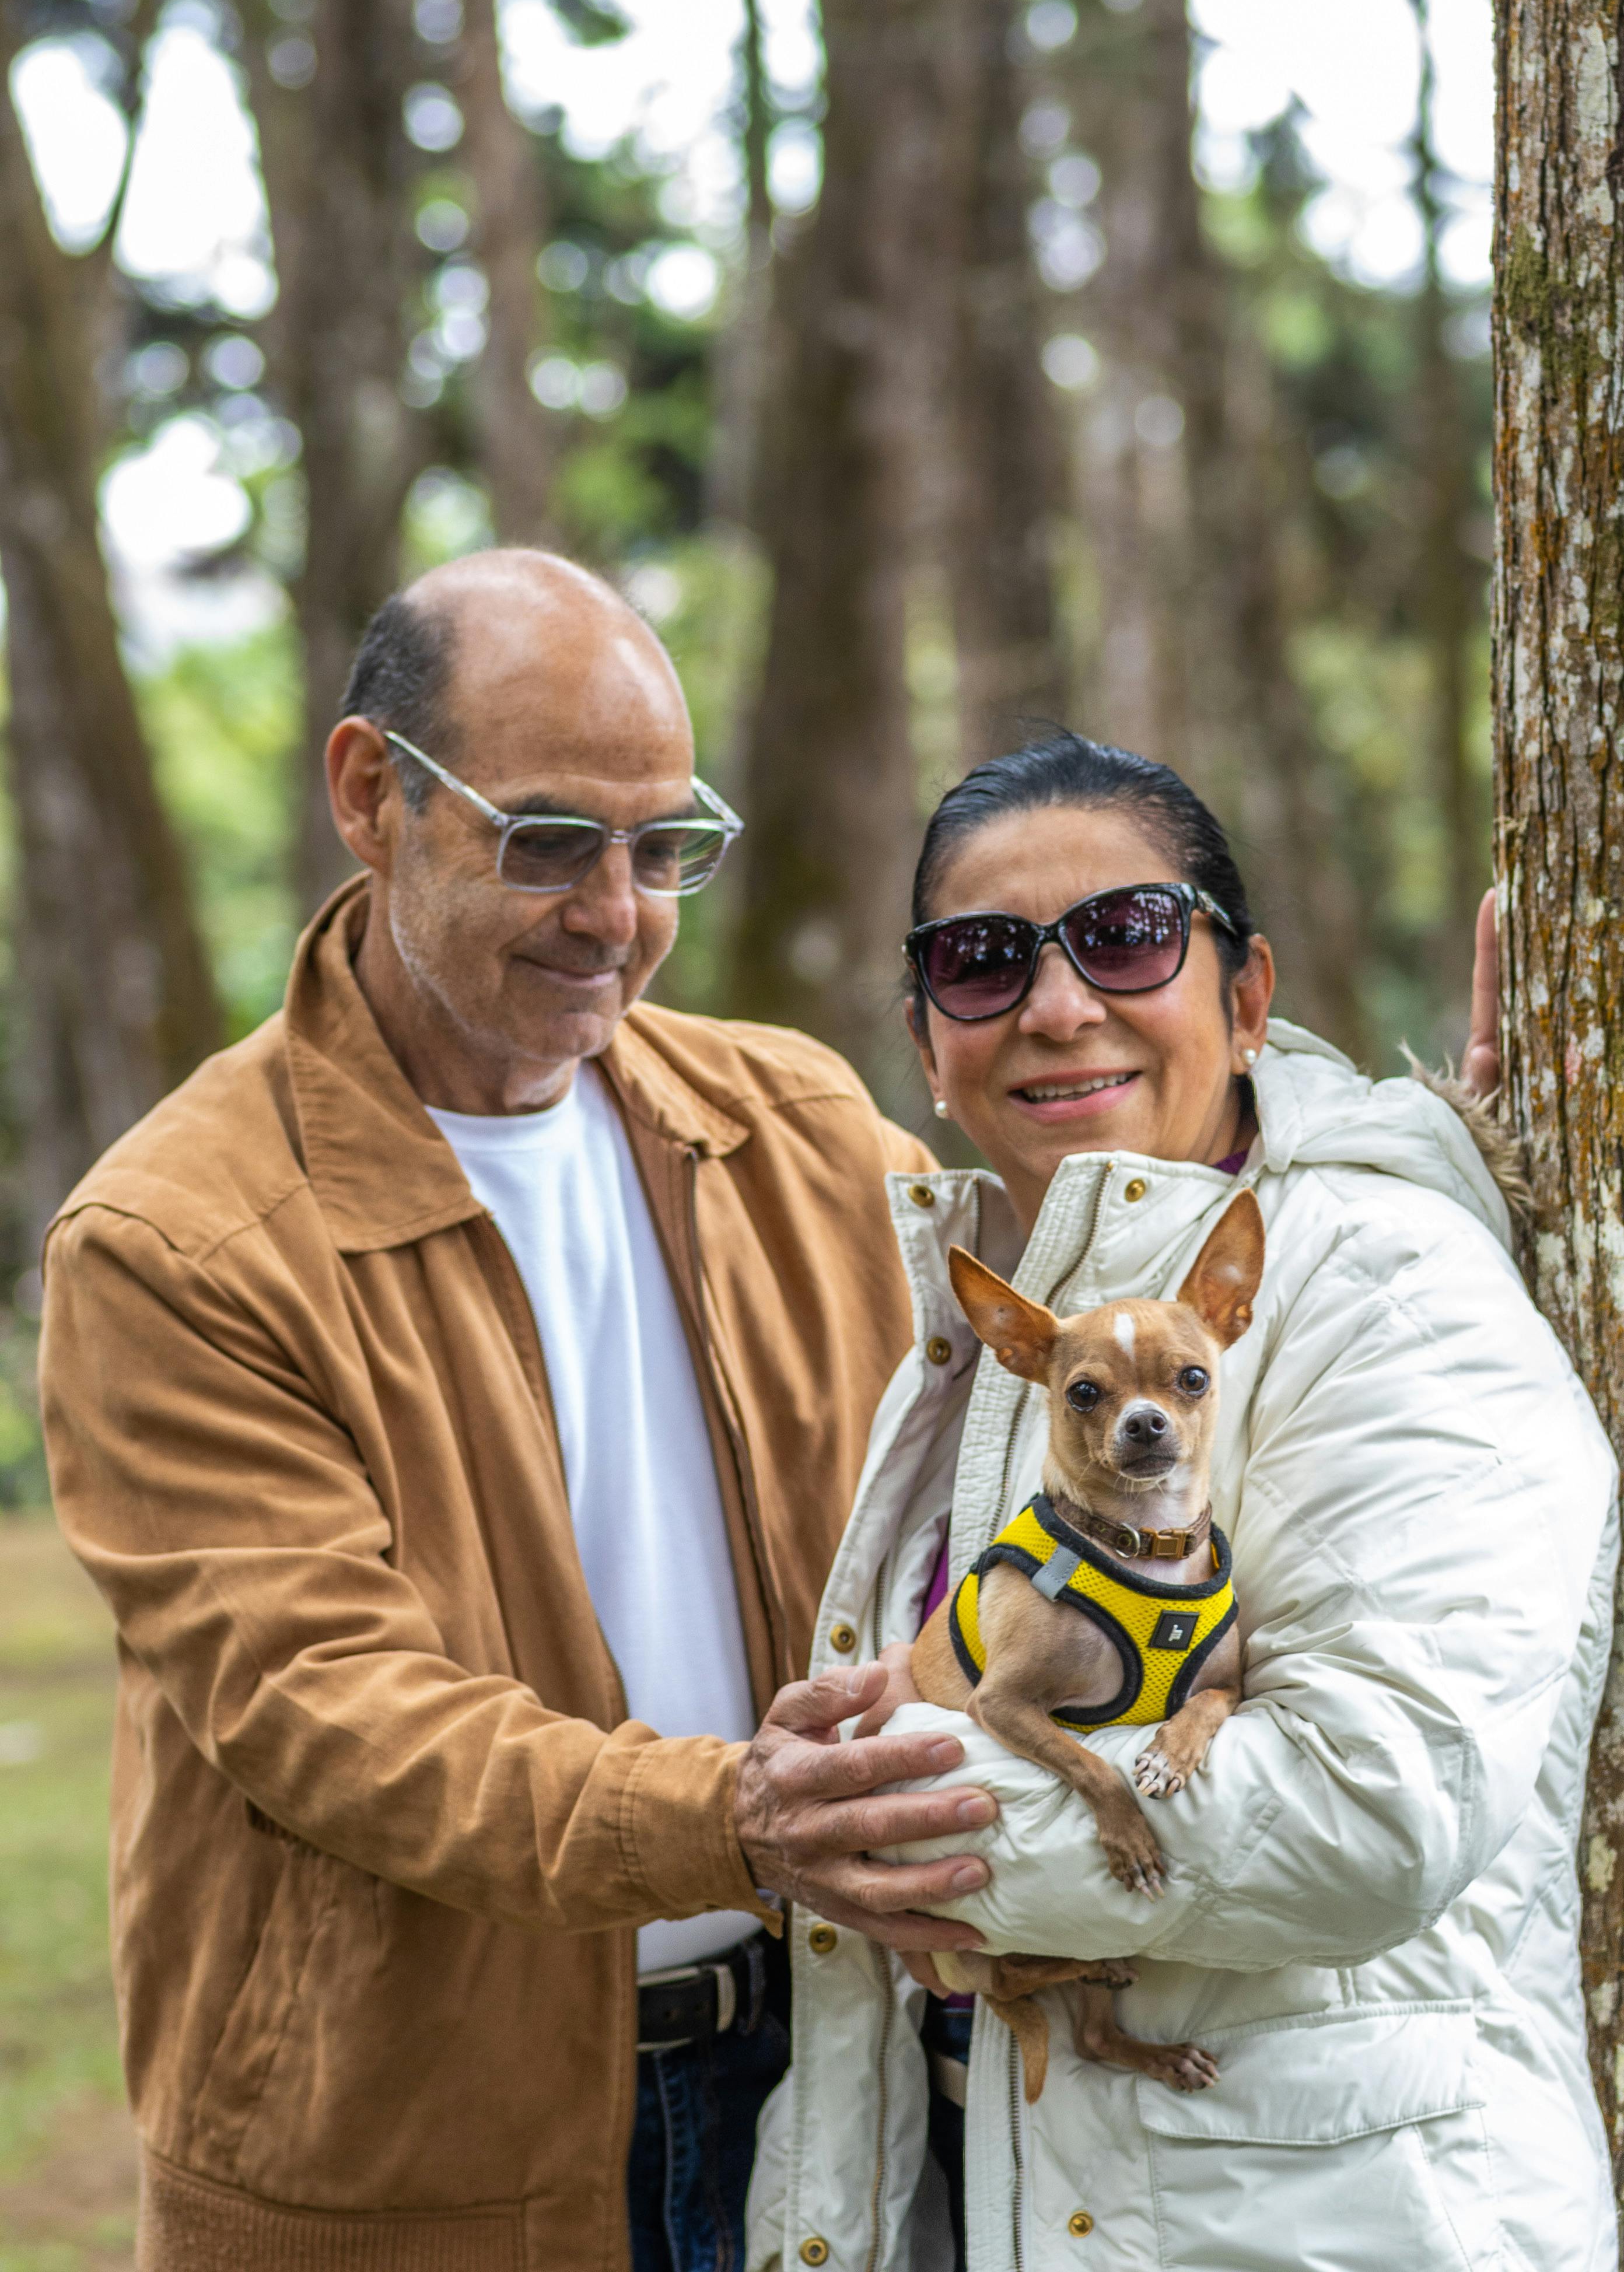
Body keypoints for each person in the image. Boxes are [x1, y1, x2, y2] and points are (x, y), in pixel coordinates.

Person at [38, 550, 1002, 2272]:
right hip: (416, 2156)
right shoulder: (175, 1240)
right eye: (550, 841)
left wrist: (1433, 1167)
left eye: (664, 850)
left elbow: (1087, 1380)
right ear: (370, 797)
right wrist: (735, 1818)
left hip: (828, 2096)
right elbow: (332, 1710)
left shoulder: (803, 1132)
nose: (616, 913)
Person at [746, 733, 1617, 2272]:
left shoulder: (1392, 1292)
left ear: (1249, 994)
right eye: (982, 961)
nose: (1059, 1004)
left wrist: (881, 1829)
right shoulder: (1002, 1332)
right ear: (925, 1041)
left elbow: (1378, 1801)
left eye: (1129, 935)